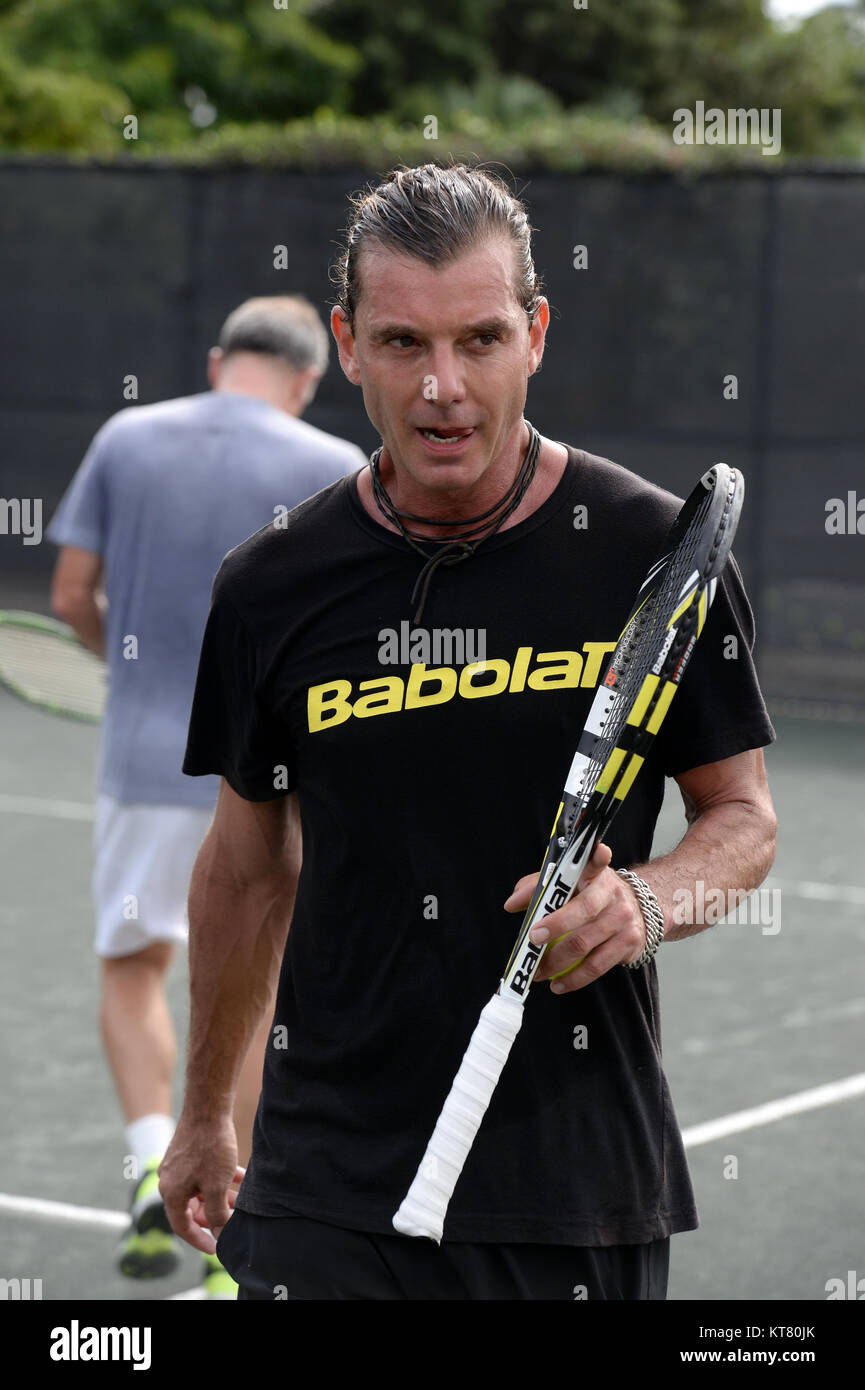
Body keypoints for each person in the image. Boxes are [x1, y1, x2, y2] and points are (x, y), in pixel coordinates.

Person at [160, 165, 777, 1301]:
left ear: (534, 332)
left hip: (573, 1182)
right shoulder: (271, 586)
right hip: (324, 1185)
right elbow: (246, 872)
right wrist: (202, 1111)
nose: (443, 385)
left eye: (480, 339)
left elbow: (739, 819)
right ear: (345, 344)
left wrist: (646, 901)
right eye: (402, 343)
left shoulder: (651, 552)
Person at [46, 295, 366, 1297]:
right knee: (258, 994)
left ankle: (151, 1167)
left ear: (219, 357)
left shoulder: (126, 433)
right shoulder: (333, 466)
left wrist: (133, 679)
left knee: (134, 965)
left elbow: (69, 598)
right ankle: (237, 1235)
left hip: (146, 760)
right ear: (311, 376)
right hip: (277, 775)